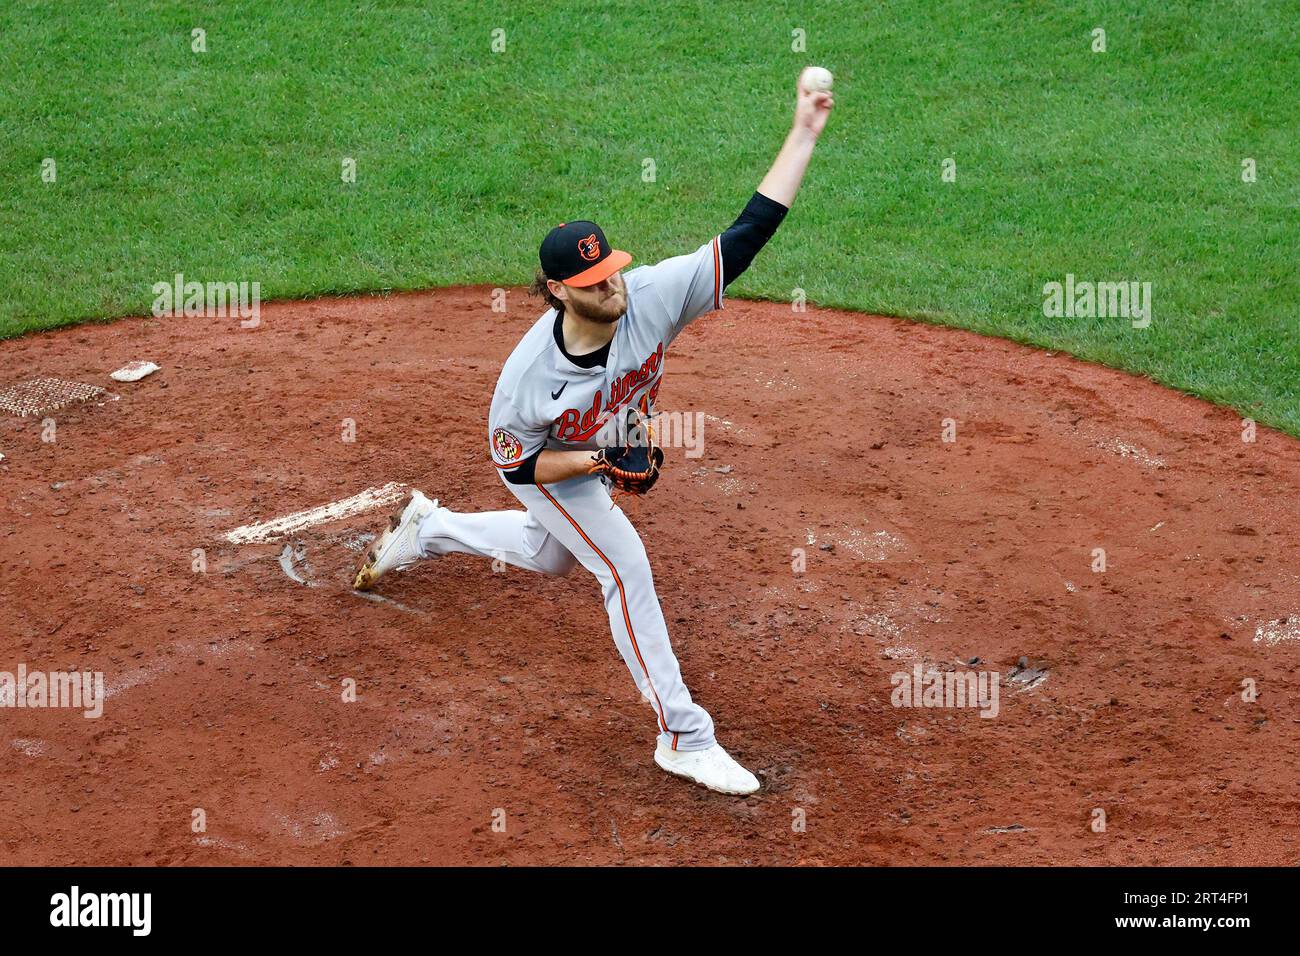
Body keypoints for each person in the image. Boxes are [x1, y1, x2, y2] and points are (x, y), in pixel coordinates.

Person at [354, 69, 834, 795]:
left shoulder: (651, 295)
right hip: (538, 458)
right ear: (555, 291)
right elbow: (522, 470)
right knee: (622, 566)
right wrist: (603, 460)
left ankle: (430, 529)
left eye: (611, 270)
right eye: (593, 282)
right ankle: (683, 734)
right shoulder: (527, 382)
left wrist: (802, 132)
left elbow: (747, 234)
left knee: (551, 559)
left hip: (588, 445)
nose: (611, 285)